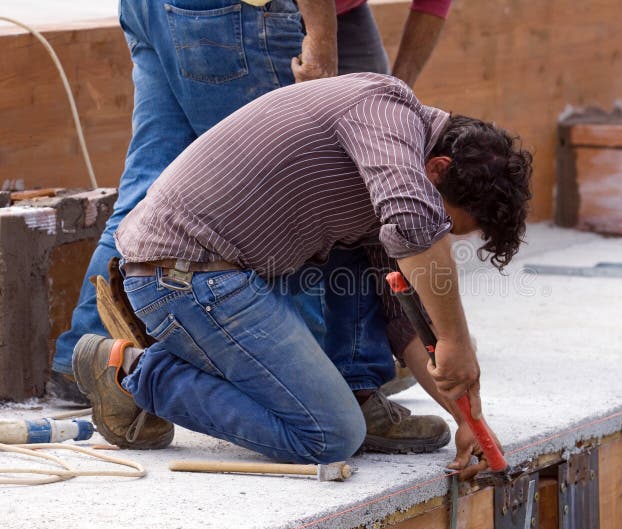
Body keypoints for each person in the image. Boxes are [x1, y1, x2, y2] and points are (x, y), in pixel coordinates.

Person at [72, 73, 532, 472]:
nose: (439, 237)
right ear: (438, 168)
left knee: (374, 262)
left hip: (225, 274)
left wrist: (469, 421)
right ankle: (134, 373)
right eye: (447, 223)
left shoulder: (393, 163)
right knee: (328, 436)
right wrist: (457, 342)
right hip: (182, 277)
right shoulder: (384, 113)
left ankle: (356, 396)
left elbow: (401, 311)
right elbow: (415, 224)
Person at [49, 0, 454, 448]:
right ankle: (342, 390)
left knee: (151, 189)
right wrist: (320, 40)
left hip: (162, 9)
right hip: (239, 12)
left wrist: (394, 102)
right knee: (301, 187)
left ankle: (79, 362)